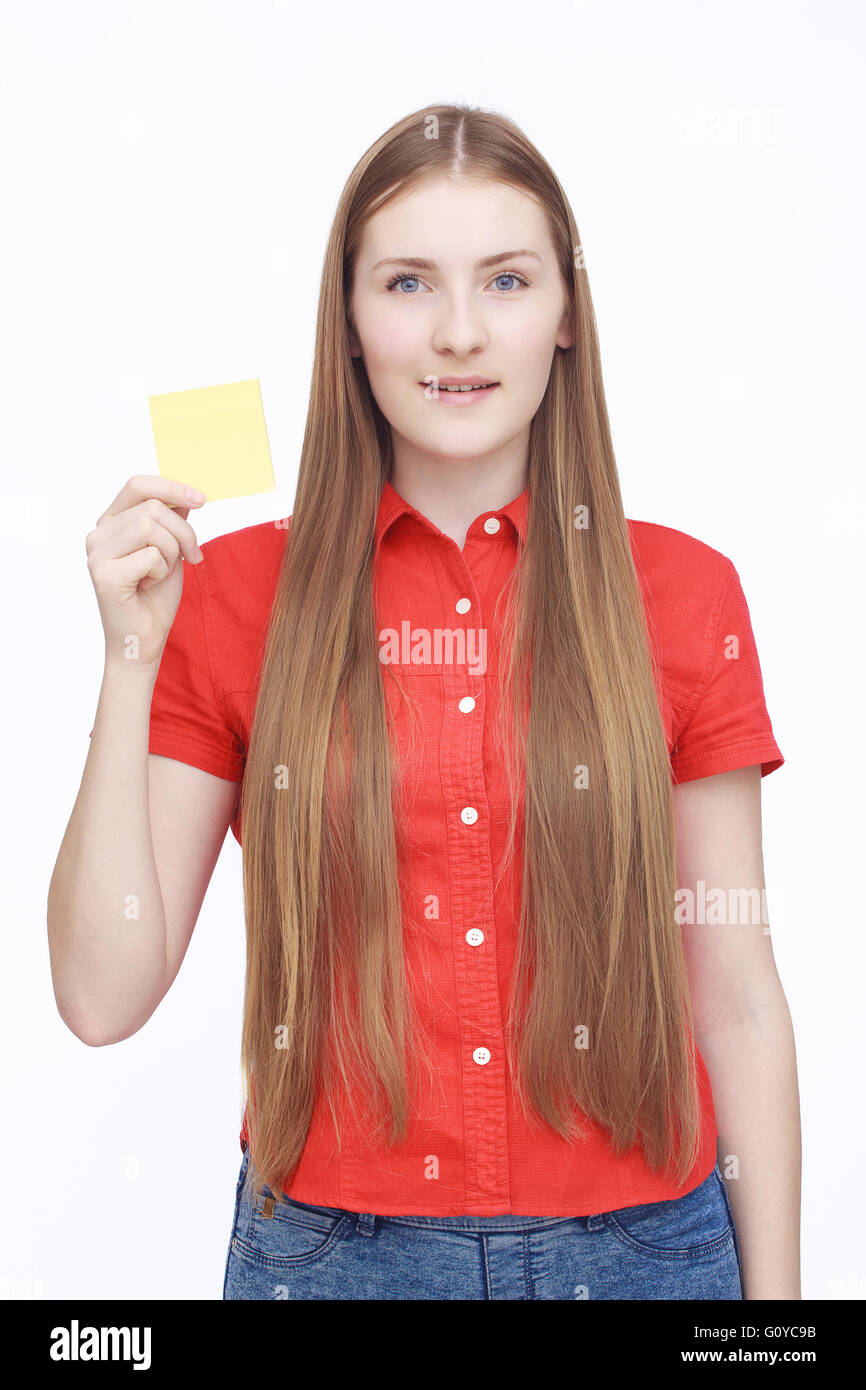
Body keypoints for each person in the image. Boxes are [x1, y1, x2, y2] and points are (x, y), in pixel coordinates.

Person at [48, 103, 800, 1301]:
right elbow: (101, 996)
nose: (457, 331)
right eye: (406, 283)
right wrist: (129, 662)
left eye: (505, 280)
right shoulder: (231, 594)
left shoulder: (683, 592)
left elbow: (737, 997)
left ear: (565, 314)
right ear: (348, 322)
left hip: (647, 1260)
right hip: (332, 1260)